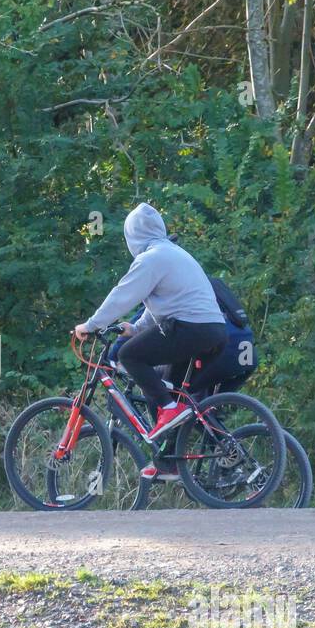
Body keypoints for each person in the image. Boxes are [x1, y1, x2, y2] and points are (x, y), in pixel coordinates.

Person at [74, 203, 227, 479]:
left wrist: (91, 325)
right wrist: (133, 328)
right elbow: (161, 308)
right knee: (172, 391)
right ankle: (168, 463)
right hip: (212, 330)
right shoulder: (173, 253)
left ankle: (168, 411)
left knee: (130, 356)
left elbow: (122, 295)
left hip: (191, 328)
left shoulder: (150, 259)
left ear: (131, 236)